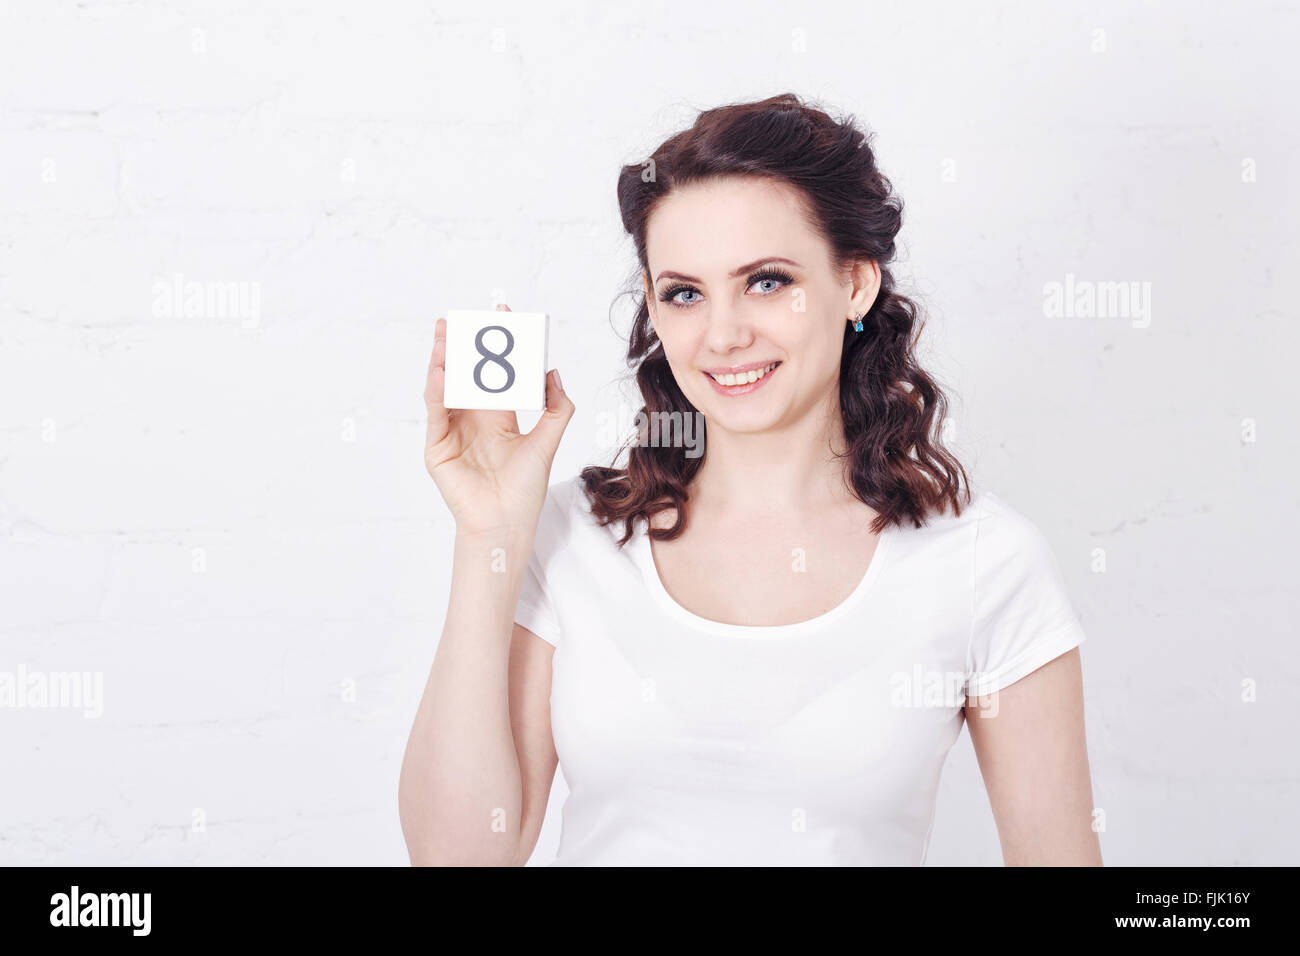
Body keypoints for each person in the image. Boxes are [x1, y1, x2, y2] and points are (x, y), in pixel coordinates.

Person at [398, 93, 1101, 866]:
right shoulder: (570, 539)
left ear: (857, 284)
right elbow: (454, 858)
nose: (725, 335)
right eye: (685, 293)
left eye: (766, 281)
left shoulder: (984, 563)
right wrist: (489, 536)